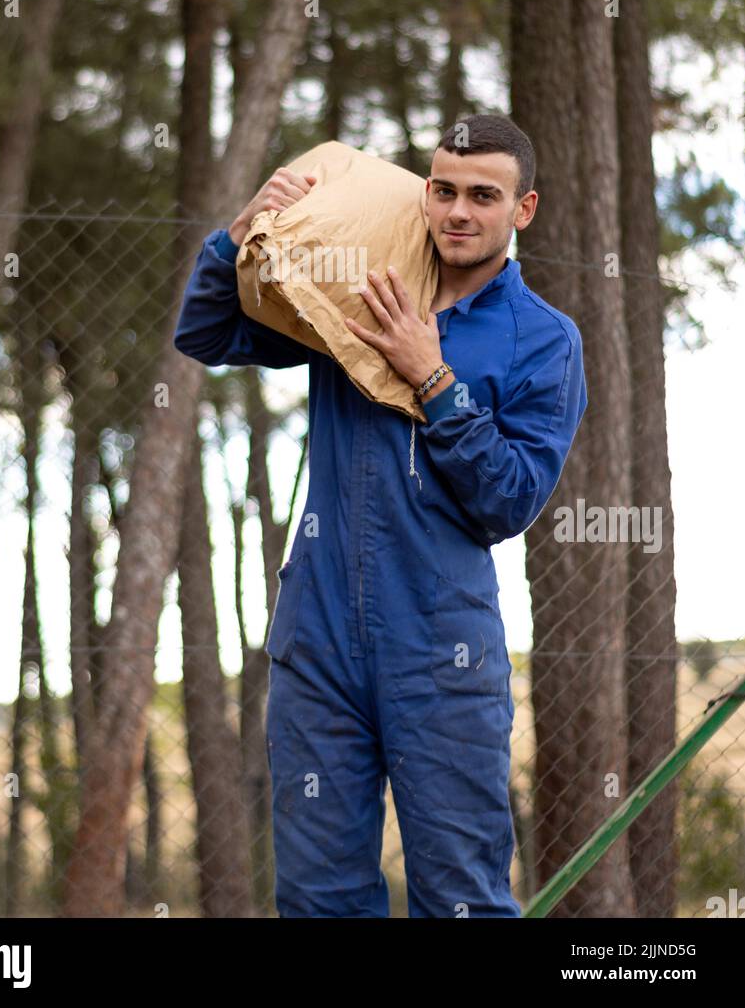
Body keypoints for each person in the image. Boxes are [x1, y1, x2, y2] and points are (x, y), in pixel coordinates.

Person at [173, 113, 587, 918]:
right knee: (318, 896)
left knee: (459, 895)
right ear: (426, 192)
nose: (459, 211)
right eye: (444, 190)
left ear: (522, 210)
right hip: (318, 639)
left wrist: (433, 379)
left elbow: (507, 501)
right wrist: (236, 235)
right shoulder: (360, 281)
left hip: (443, 651)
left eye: (483, 195)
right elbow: (206, 330)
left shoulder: (543, 340)